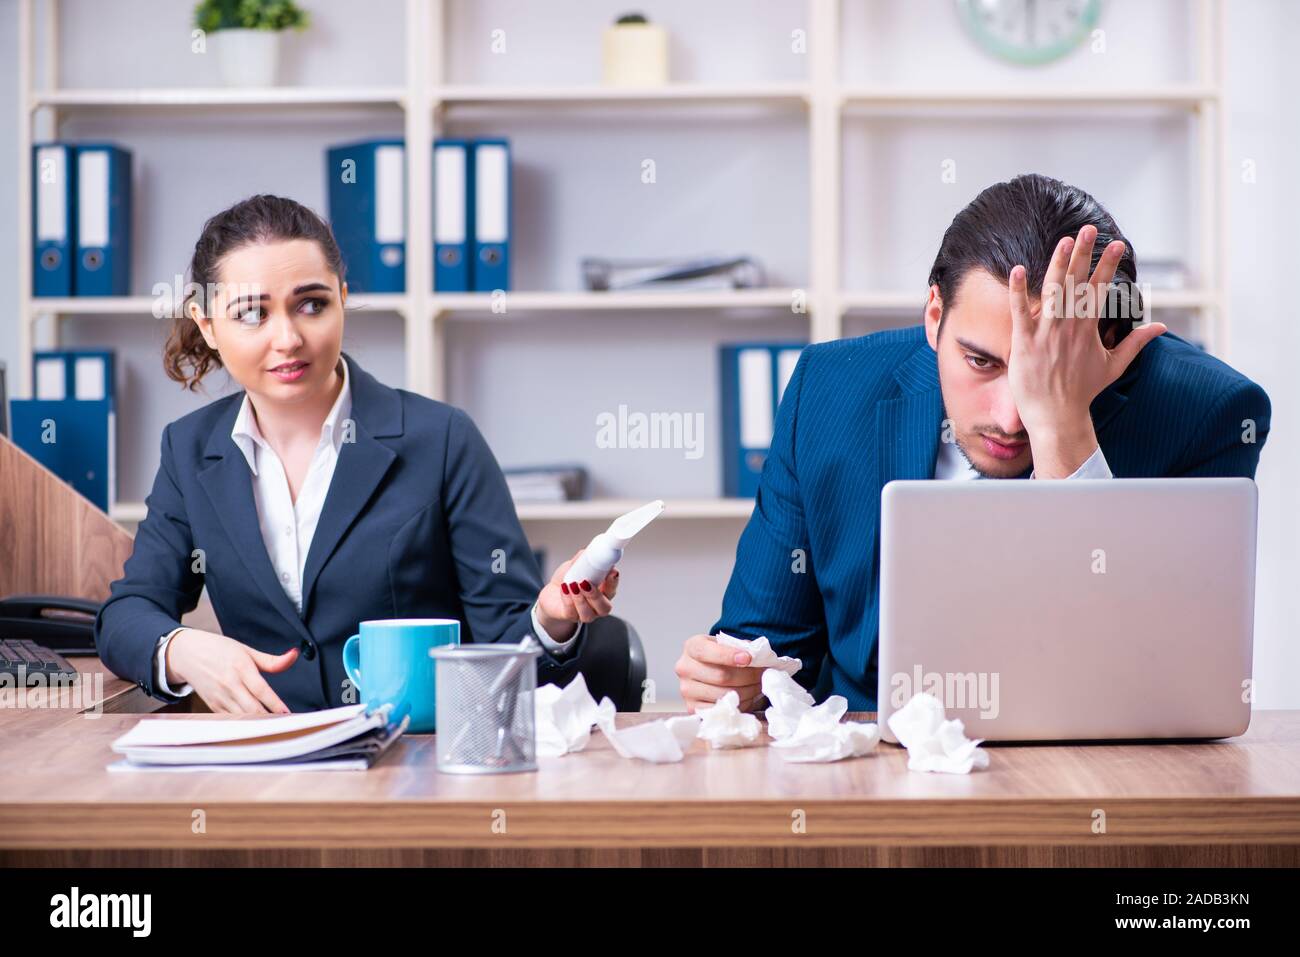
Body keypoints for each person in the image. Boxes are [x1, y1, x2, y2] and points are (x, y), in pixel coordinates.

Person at [676, 173, 1272, 713]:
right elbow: (768, 650)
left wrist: (1062, 427)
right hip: (876, 778)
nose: (1011, 420)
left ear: (1113, 344)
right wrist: (736, 680)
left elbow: (1169, 688)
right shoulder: (828, 393)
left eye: (1043, 373)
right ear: (934, 315)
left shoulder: (1211, 414)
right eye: (982, 362)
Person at [95, 194, 618, 714]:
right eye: (251, 313)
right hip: (266, 769)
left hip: (413, 764)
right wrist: (182, 649)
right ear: (207, 324)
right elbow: (127, 613)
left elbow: (507, 647)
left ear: (342, 300)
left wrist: (549, 619)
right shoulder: (190, 451)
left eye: (311, 304)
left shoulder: (441, 439)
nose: (288, 338)